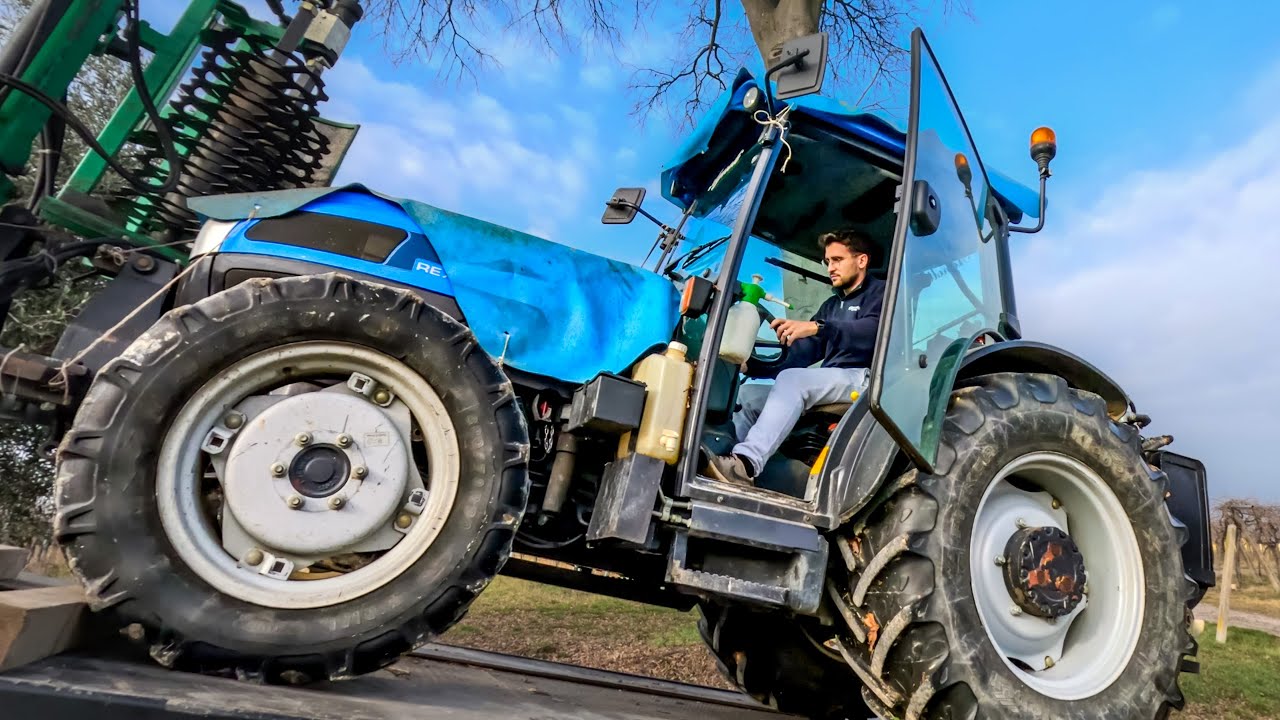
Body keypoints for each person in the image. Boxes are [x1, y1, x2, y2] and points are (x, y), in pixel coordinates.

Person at [707, 229, 885, 487]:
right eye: (827, 262)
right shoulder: (831, 307)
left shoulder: (882, 293)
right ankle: (728, 465)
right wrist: (751, 364)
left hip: (867, 380)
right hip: (832, 380)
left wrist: (818, 327)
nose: (830, 268)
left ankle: (746, 465)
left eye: (837, 260)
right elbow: (799, 357)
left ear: (861, 261)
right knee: (747, 397)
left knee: (793, 381)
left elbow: (872, 331)